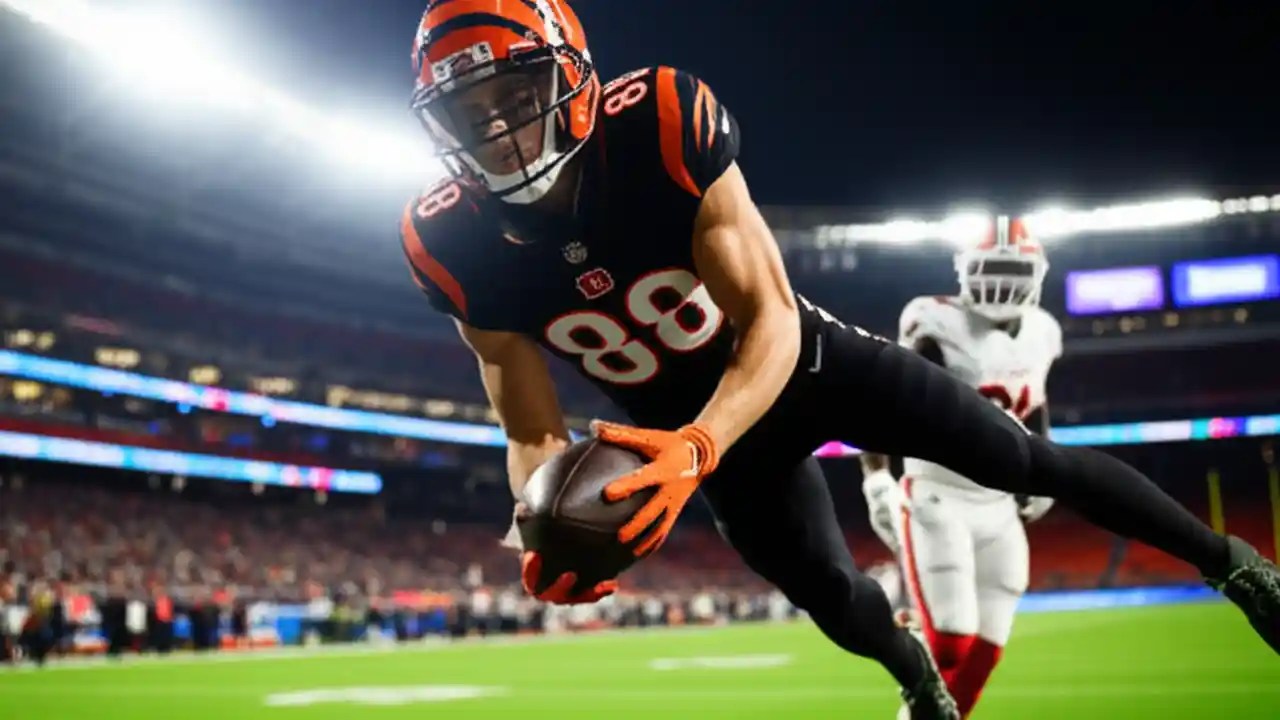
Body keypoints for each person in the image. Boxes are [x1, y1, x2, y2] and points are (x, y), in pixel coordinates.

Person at [398, 2, 1279, 717]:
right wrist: (543, 525)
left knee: (1016, 456)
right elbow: (530, 425)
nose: (502, 133)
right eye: (468, 116)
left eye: (516, 95)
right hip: (688, 443)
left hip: (805, 367)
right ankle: (915, 674)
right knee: (829, 594)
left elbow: (771, 319)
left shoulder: (661, 122)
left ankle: (1235, 564)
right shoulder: (446, 240)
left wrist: (700, 444)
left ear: (576, 76)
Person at [860, 216, 1061, 718]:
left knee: (987, 649)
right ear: (963, 271)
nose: (1002, 284)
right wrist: (877, 478)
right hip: (937, 493)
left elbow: (1034, 405)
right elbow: (884, 401)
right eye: (991, 268)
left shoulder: (1043, 332)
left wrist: (1046, 464)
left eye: (1015, 272)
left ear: (1038, 276)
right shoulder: (935, 321)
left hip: (998, 504)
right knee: (950, 641)